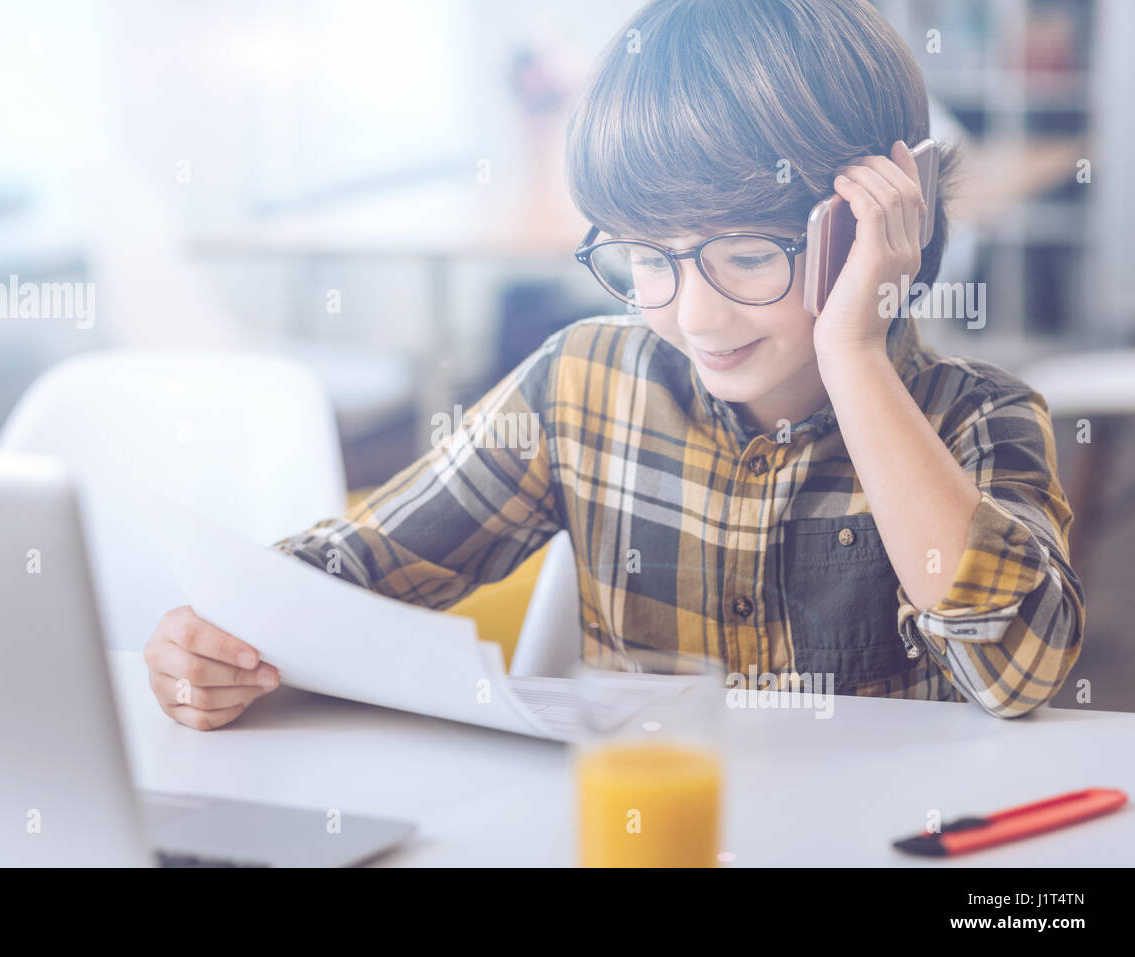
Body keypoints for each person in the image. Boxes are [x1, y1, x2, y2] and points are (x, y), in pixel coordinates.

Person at [144, 0, 1083, 730]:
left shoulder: (979, 421)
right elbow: (353, 571)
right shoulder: (581, 386)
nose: (696, 312)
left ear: (883, 220)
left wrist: (851, 347)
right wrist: (219, 641)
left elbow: (1020, 672)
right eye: (646, 256)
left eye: (749, 256)